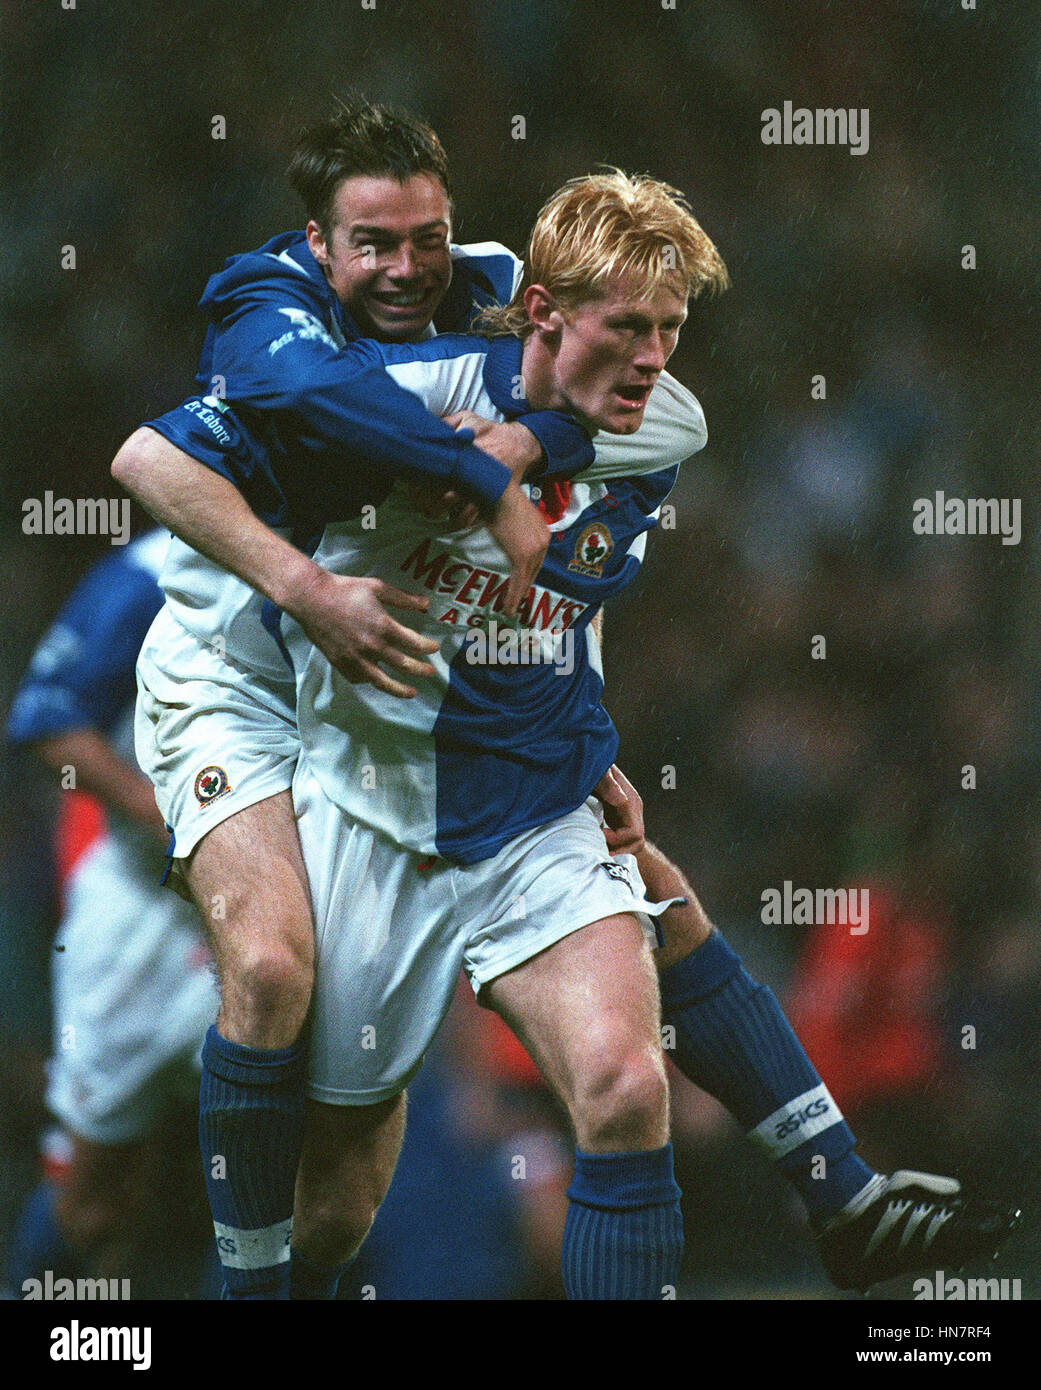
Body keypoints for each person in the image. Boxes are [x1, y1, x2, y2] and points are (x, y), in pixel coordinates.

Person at [114, 101, 1018, 1297]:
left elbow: (564, 603)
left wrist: (532, 471)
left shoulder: (663, 424)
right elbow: (155, 455)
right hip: (370, 807)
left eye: (670, 330)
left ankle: (840, 1193)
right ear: (543, 311)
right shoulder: (390, 394)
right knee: (332, 1208)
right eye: (628, 328)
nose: (653, 358)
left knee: (628, 1086)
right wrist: (428, 490)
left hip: (532, 809)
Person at [4, 531, 219, 1298]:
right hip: (146, 910)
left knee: (297, 1188)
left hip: (290, 909)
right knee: (95, 1200)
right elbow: (45, 717)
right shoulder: (153, 572)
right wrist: (180, 831)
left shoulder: (351, 555)